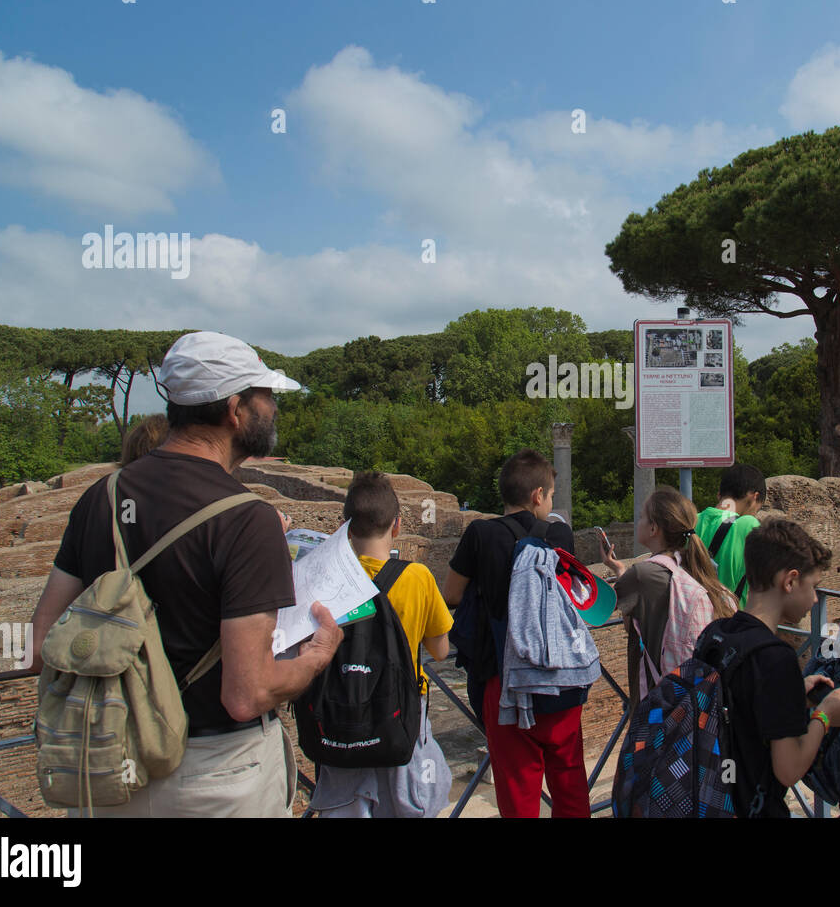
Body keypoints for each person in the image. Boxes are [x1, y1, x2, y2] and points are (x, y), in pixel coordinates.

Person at [30, 331, 343, 817]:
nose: (274, 408)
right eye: (266, 397)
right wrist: (317, 657)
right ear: (235, 410)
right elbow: (247, 694)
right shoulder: (247, 519)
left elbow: (40, 646)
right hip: (213, 777)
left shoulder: (102, 497)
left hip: (112, 770)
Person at [443, 449, 592, 817]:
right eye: (551, 494)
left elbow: (452, 594)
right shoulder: (559, 534)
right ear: (538, 495)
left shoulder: (479, 533)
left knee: (518, 791)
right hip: (559, 678)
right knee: (570, 782)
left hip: (503, 679)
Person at [309, 472, 453, 818]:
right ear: (397, 525)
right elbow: (441, 651)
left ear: (344, 527)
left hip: (340, 718)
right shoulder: (417, 577)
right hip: (400, 716)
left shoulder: (323, 577)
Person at [706, 517, 840, 817]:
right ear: (789, 581)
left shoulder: (715, 634)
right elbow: (789, 770)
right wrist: (825, 716)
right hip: (754, 805)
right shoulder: (776, 657)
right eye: (813, 587)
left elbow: (742, 705)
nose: (815, 599)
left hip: (715, 794)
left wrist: (793, 693)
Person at [601, 487, 737, 705]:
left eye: (642, 517)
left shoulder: (643, 574)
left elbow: (601, 610)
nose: (638, 522)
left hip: (658, 704)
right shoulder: (691, 564)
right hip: (696, 698)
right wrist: (620, 570)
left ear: (653, 528)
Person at [694, 464, 766, 603]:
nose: (755, 514)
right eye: (757, 509)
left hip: (692, 612)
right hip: (728, 614)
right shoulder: (748, 525)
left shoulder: (692, 520)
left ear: (719, 494)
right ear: (754, 497)